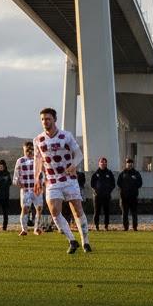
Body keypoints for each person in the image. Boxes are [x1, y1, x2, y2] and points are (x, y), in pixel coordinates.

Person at [33, 107, 91, 254]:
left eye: (48, 119)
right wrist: (37, 179)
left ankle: (85, 241)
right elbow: (38, 160)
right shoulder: (38, 139)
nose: (45, 122)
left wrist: (73, 165)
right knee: (54, 212)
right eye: (42, 119)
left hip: (69, 179)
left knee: (77, 210)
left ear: (54, 120)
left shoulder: (66, 136)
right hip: (52, 181)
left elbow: (79, 154)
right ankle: (72, 240)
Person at [13, 140, 40, 236]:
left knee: (39, 209)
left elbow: (42, 174)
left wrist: (43, 185)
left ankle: (36, 229)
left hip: (37, 189)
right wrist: (21, 186)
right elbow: (16, 177)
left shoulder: (38, 160)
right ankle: (24, 229)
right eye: (27, 150)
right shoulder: (20, 161)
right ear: (23, 150)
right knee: (25, 209)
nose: (29, 151)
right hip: (26, 190)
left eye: (31, 149)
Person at [90, 157, 116, 230]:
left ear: (106, 163)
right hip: (97, 196)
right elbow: (92, 184)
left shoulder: (109, 173)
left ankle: (106, 226)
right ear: (99, 163)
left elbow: (113, 184)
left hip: (106, 196)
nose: (103, 164)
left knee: (106, 212)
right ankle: (96, 226)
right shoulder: (95, 174)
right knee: (96, 212)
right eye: (101, 162)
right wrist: (95, 191)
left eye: (104, 162)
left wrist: (109, 191)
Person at [117, 157, 143, 231]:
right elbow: (118, 183)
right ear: (126, 164)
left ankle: (135, 227)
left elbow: (140, 183)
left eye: (131, 163)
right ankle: (126, 227)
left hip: (133, 197)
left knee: (134, 213)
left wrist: (133, 188)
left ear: (133, 164)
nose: (129, 164)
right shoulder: (122, 173)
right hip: (124, 197)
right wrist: (124, 189)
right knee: (124, 213)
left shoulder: (136, 173)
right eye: (128, 163)